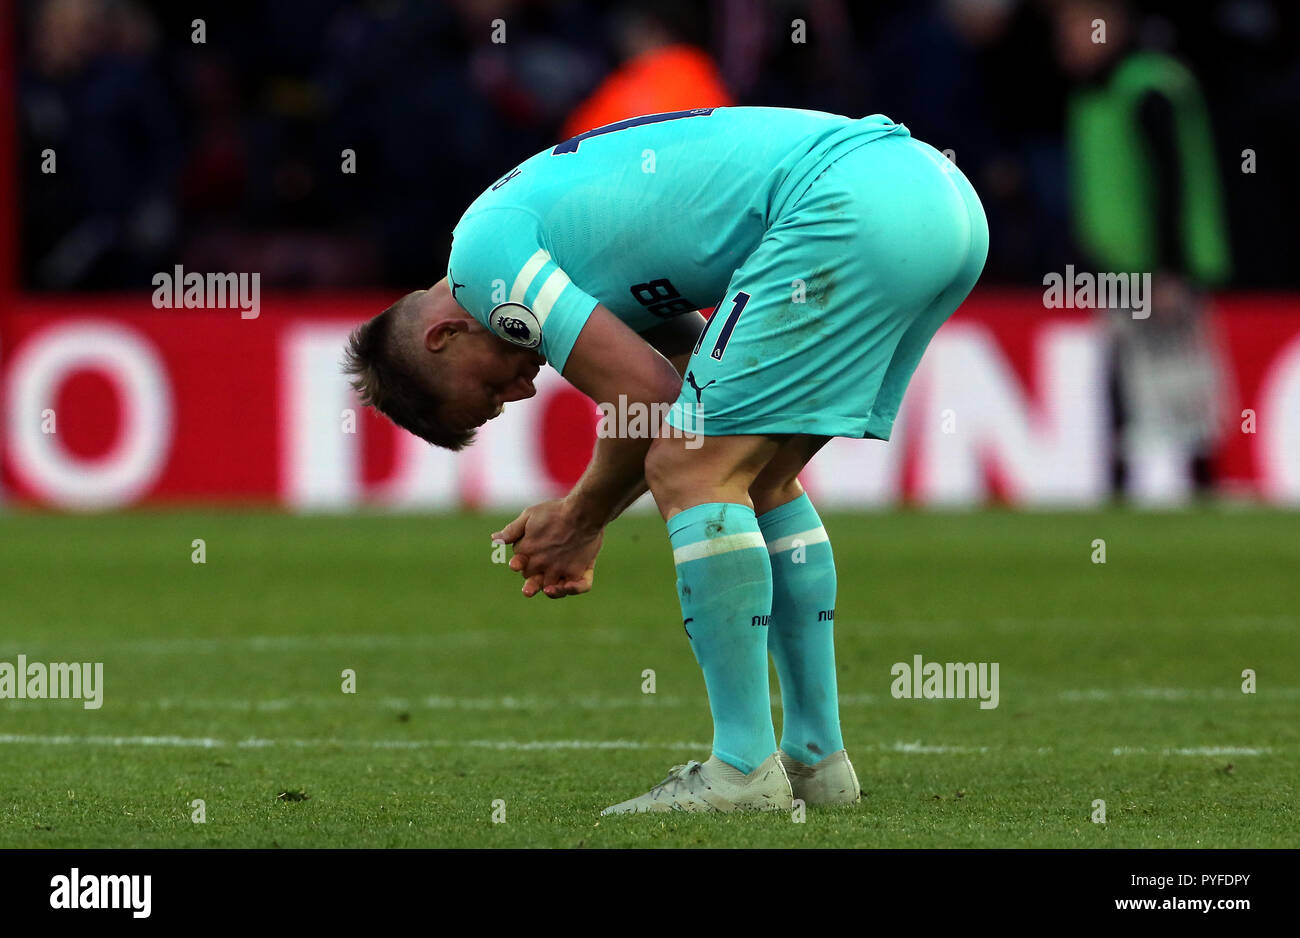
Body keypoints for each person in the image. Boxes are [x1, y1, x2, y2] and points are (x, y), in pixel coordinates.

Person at [344, 106, 988, 814]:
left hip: (849, 201)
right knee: (757, 476)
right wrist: (590, 510)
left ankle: (741, 770)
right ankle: (816, 761)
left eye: (490, 393)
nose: (522, 391)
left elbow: (645, 396)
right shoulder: (557, 238)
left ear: (442, 337)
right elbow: (679, 379)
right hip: (938, 196)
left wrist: (581, 517)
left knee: (691, 467)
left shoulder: (481, 264)